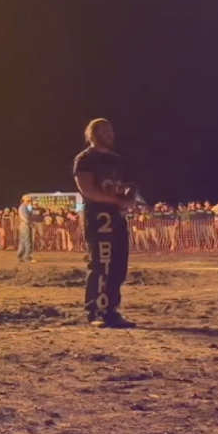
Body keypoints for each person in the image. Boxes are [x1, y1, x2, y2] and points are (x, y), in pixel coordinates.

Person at [73, 118, 138, 329]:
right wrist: (119, 201)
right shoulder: (85, 159)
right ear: (92, 134)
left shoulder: (117, 159)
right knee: (102, 264)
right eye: (104, 130)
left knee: (119, 265)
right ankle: (96, 311)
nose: (110, 133)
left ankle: (111, 311)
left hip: (117, 217)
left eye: (111, 130)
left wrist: (129, 199)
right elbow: (89, 191)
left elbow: (131, 184)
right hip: (99, 217)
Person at [15, 196, 34, 263]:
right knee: (27, 240)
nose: (29, 202)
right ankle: (26, 256)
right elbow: (24, 216)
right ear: (24, 200)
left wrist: (30, 207)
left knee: (22, 241)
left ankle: (20, 256)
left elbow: (30, 213)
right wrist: (28, 222)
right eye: (28, 201)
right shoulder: (22, 207)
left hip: (24, 224)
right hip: (24, 224)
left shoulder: (25, 207)